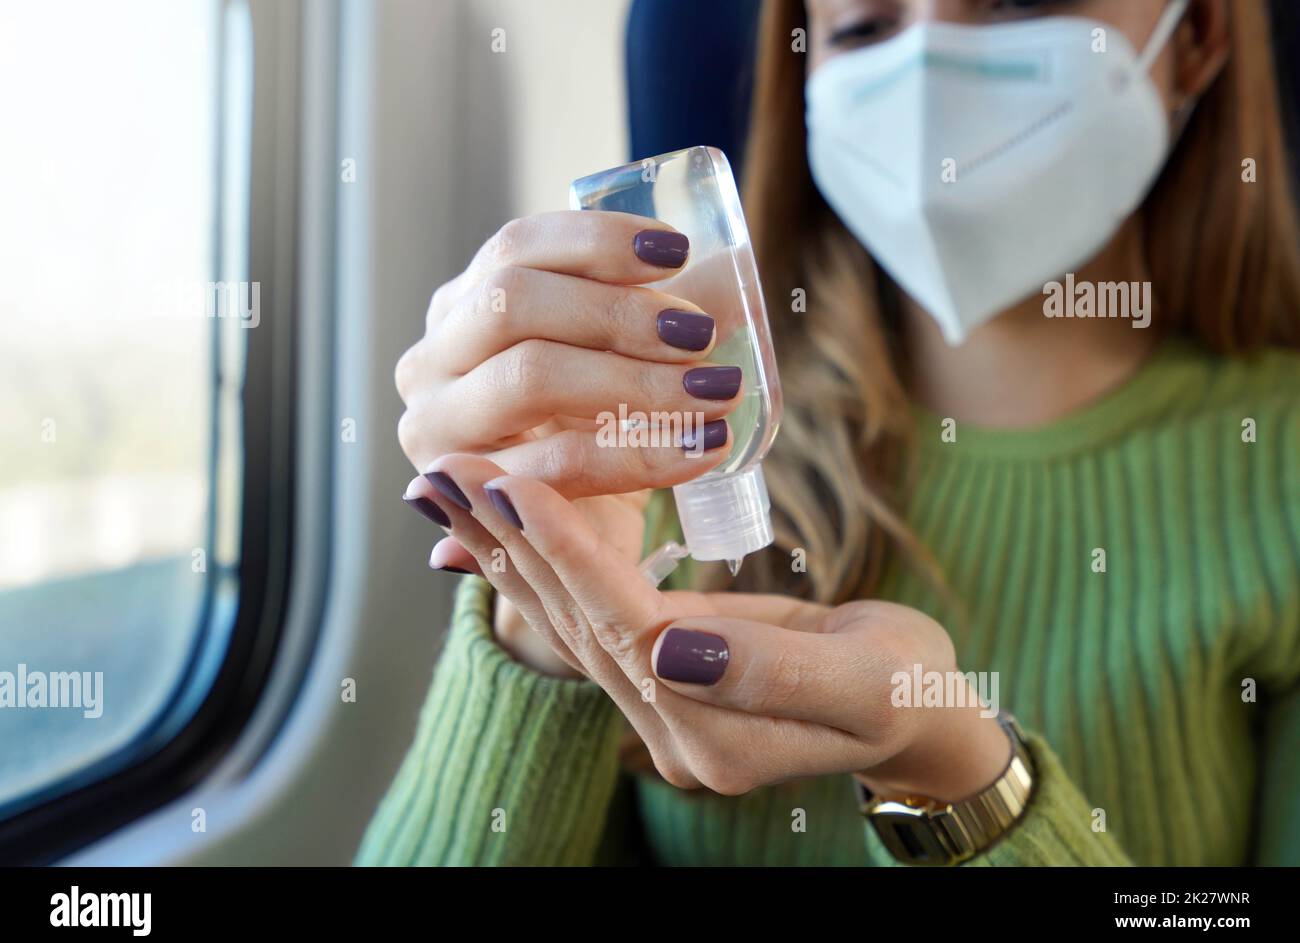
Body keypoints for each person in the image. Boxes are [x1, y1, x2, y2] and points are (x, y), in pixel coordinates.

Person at [359, 0, 1300, 866]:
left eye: (1014, 1)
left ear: (1197, 37)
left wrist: (969, 788)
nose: (928, 72)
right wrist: (539, 629)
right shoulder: (664, 436)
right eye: (860, 29)